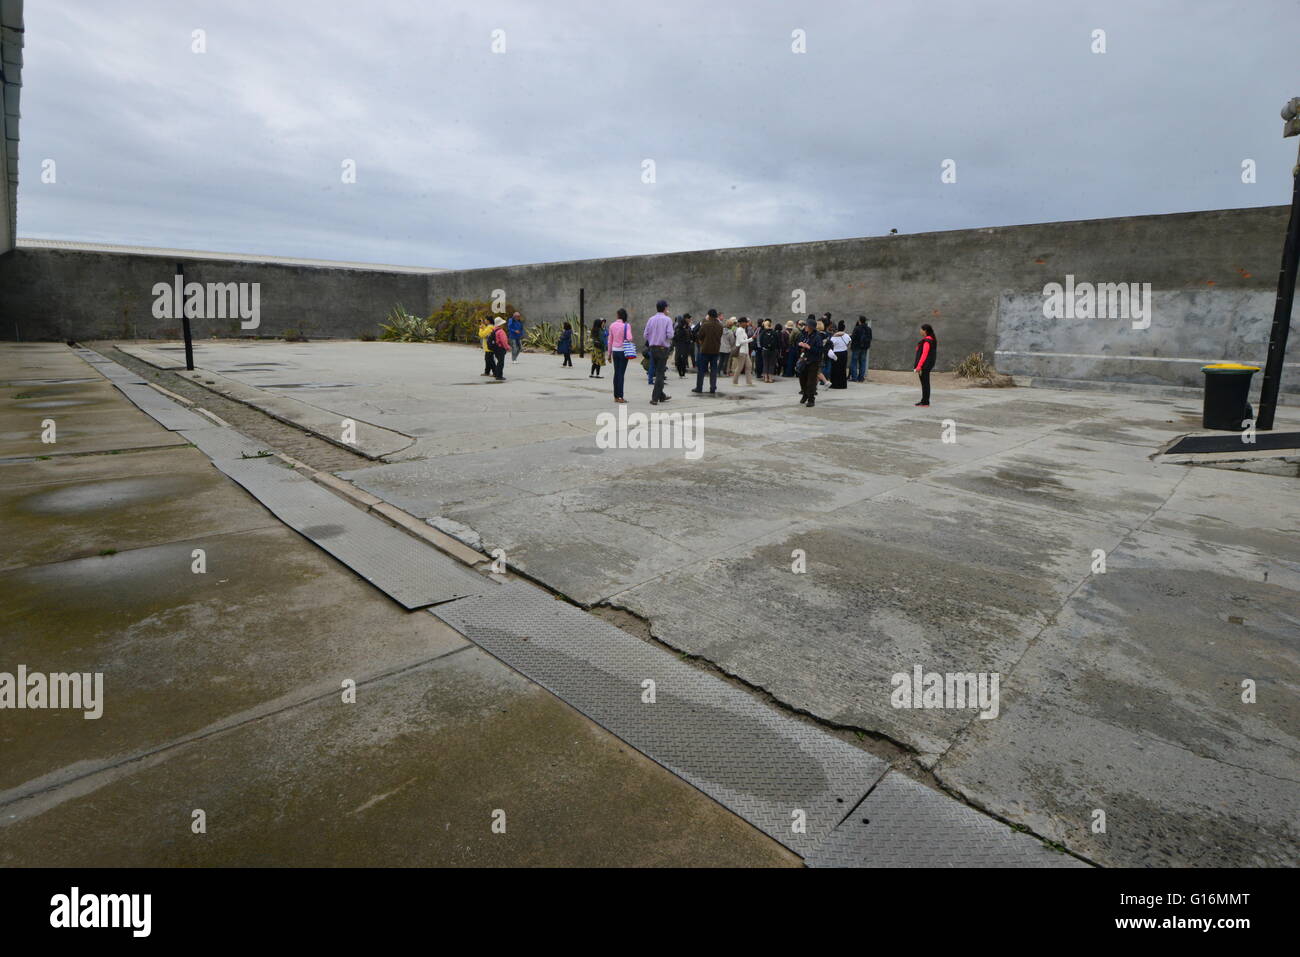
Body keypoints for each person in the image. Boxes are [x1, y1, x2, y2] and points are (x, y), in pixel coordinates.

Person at [644, 299, 674, 405]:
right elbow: (670, 335)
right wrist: (663, 339)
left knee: (658, 371)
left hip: (653, 348)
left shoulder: (651, 319)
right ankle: (655, 398)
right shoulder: (667, 320)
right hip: (662, 348)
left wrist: (653, 339)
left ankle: (661, 395)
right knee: (660, 373)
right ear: (665, 308)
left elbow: (645, 334)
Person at [795, 316, 827, 407]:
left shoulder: (817, 337)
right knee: (802, 379)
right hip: (803, 360)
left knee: (811, 381)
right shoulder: (804, 335)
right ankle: (805, 394)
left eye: (807, 326)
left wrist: (809, 347)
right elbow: (798, 343)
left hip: (813, 361)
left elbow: (820, 350)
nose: (805, 327)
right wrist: (800, 345)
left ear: (811, 327)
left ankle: (811, 399)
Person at [691, 308, 724, 394]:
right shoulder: (720, 326)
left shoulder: (705, 325)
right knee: (713, 370)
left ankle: (699, 388)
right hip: (716, 350)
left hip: (705, 350)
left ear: (709, 316)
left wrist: (702, 342)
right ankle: (712, 387)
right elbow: (719, 336)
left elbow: (699, 336)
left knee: (701, 370)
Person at [608, 308, 634, 403]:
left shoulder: (612, 325)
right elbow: (630, 338)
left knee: (616, 373)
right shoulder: (626, 326)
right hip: (623, 351)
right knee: (621, 374)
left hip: (615, 351)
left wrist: (609, 354)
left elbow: (610, 340)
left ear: (618, 315)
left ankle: (615, 396)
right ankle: (620, 396)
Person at [914, 323, 937, 407]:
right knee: (925, 383)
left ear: (925, 331)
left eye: (921, 329)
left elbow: (924, 355)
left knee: (925, 383)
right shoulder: (931, 339)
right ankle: (924, 400)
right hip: (928, 364)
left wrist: (919, 366)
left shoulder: (927, 341)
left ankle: (925, 402)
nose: (920, 331)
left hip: (924, 365)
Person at [731, 317, 754, 386]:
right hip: (741, 351)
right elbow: (741, 342)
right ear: (741, 323)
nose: (746, 323)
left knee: (749, 366)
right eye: (745, 322)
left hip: (745, 351)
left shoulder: (743, 330)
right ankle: (735, 382)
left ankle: (749, 382)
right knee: (740, 367)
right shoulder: (739, 330)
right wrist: (751, 339)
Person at [850, 315, 872, 382]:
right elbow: (870, 338)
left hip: (856, 347)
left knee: (854, 362)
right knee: (862, 362)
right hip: (864, 348)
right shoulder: (868, 329)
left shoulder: (857, 328)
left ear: (859, 321)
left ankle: (854, 378)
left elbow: (853, 337)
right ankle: (861, 378)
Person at [829, 320, 850, 388]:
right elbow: (848, 343)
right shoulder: (846, 335)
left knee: (835, 369)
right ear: (844, 328)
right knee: (843, 369)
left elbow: (831, 345)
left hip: (836, 354)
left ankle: (835, 384)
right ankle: (843, 385)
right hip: (844, 353)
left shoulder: (834, 337)